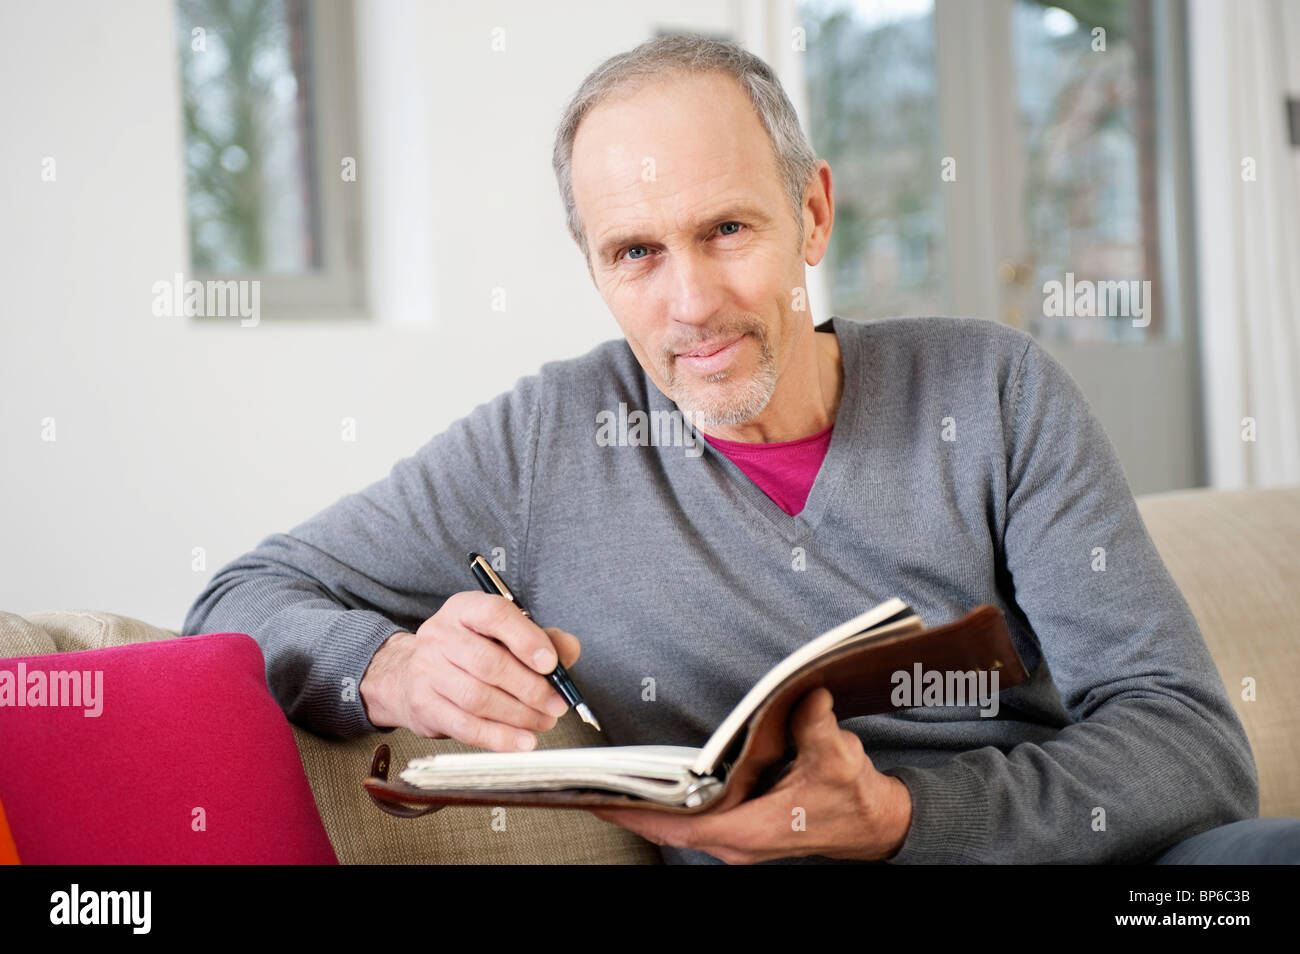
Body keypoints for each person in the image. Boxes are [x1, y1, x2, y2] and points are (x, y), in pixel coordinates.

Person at [183, 34, 1286, 865]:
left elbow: (1190, 746)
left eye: (727, 230)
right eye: (636, 253)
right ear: (595, 272)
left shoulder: (992, 391)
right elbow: (240, 597)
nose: (692, 303)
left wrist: (903, 817)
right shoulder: (545, 441)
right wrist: (390, 667)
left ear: (810, 214)